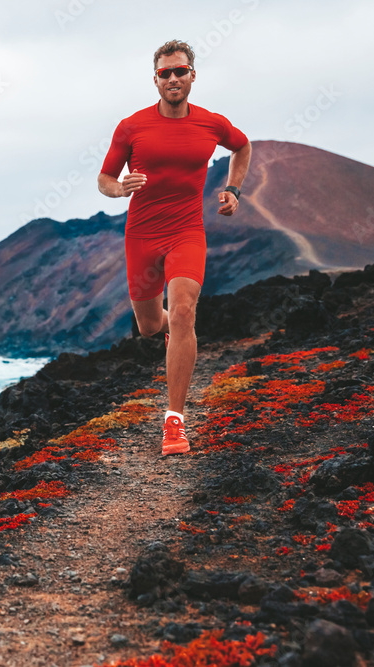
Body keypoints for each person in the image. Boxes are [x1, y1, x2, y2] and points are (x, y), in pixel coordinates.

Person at [98, 39, 251, 455]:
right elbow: (105, 179)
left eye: (180, 71)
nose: (173, 79)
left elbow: (242, 146)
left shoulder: (211, 124)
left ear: (192, 75)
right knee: (151, 325)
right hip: (142, 236)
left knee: (184, 309)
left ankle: (175, 422)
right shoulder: (132, 127)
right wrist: (119, 189)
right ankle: (172, 333)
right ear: (155, 79)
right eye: (165, 73)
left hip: (187, 231)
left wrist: (234, 189)